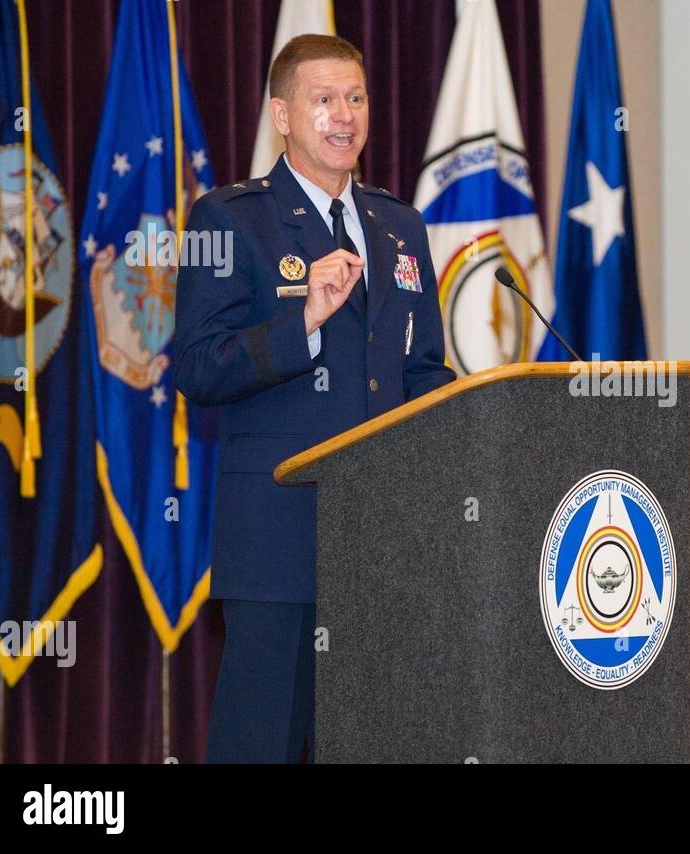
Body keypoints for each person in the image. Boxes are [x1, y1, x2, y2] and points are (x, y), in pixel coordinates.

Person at [174, 35, 453, 762]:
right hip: (279, 537)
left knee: (370, 743)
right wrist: (302, 322)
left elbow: (421, 370)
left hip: (384, 538)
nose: (344, 115)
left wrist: (485, 414)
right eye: (323, 99)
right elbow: (200, 369)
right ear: (282, 116)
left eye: (356, 98)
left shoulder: (401, 226)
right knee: (259, 743)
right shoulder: (232, 220)